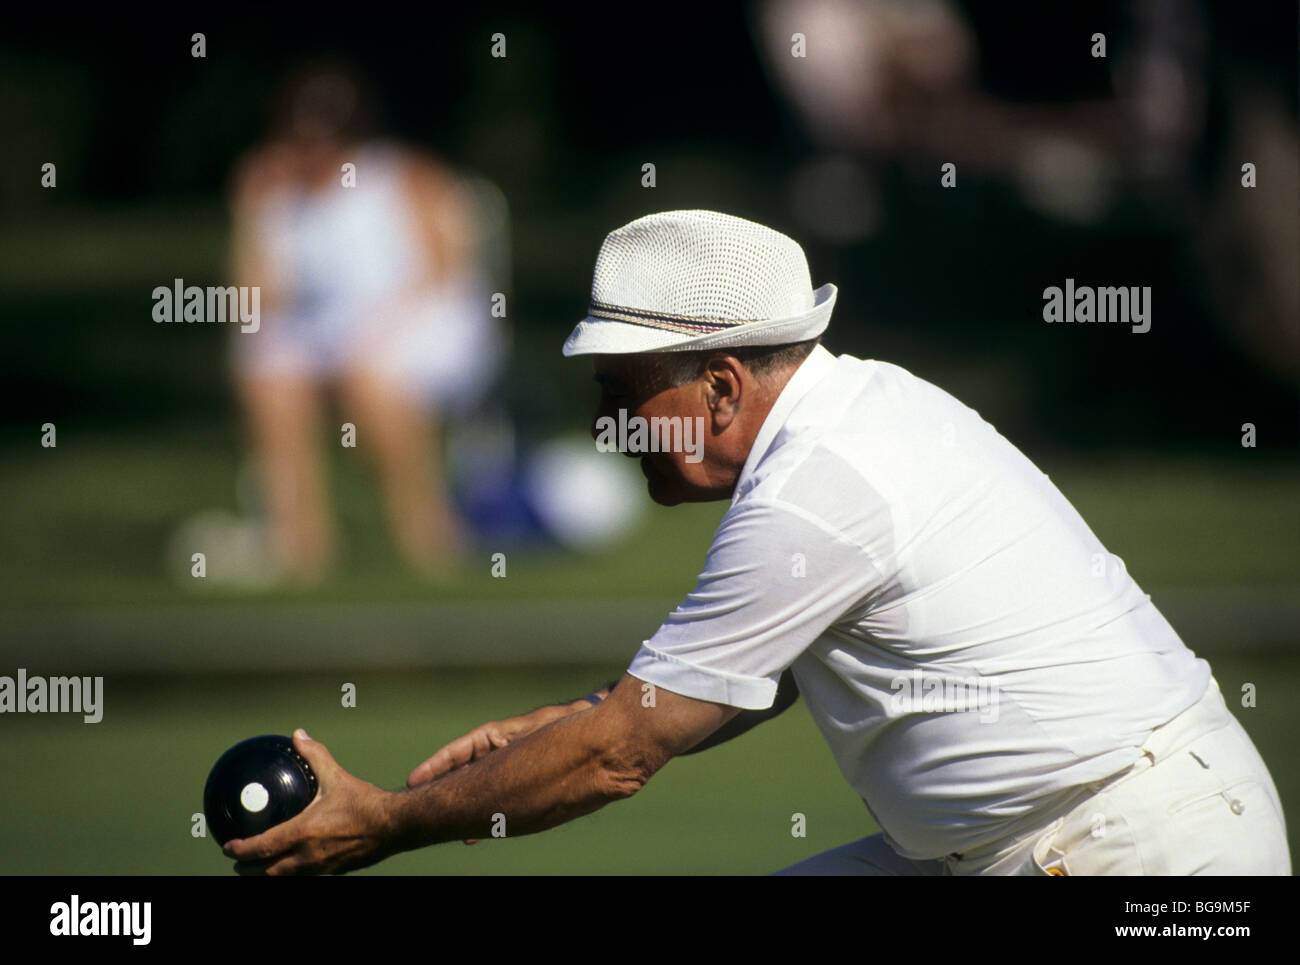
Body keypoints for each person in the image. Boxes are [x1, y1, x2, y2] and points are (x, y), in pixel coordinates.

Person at [224, 210, 1289, 875]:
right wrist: (575, 717)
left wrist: (384, 821)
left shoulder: (817, 487)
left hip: (1139, 846)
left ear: (721, 384)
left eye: (621, 396)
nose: (609, 429)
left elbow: (620, 753)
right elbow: (702, 693)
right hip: (1030, 836)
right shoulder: (845, 421)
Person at [228, 62, 501, 582]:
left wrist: (377, 328)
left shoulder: (403, 175)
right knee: (267, 374)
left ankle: (426, 532)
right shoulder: (274, 191)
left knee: (370, 376)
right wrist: (251, 214)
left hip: (425, 322)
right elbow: (254, 298)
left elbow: (447, 269)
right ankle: (299, 541)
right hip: (328, 332)